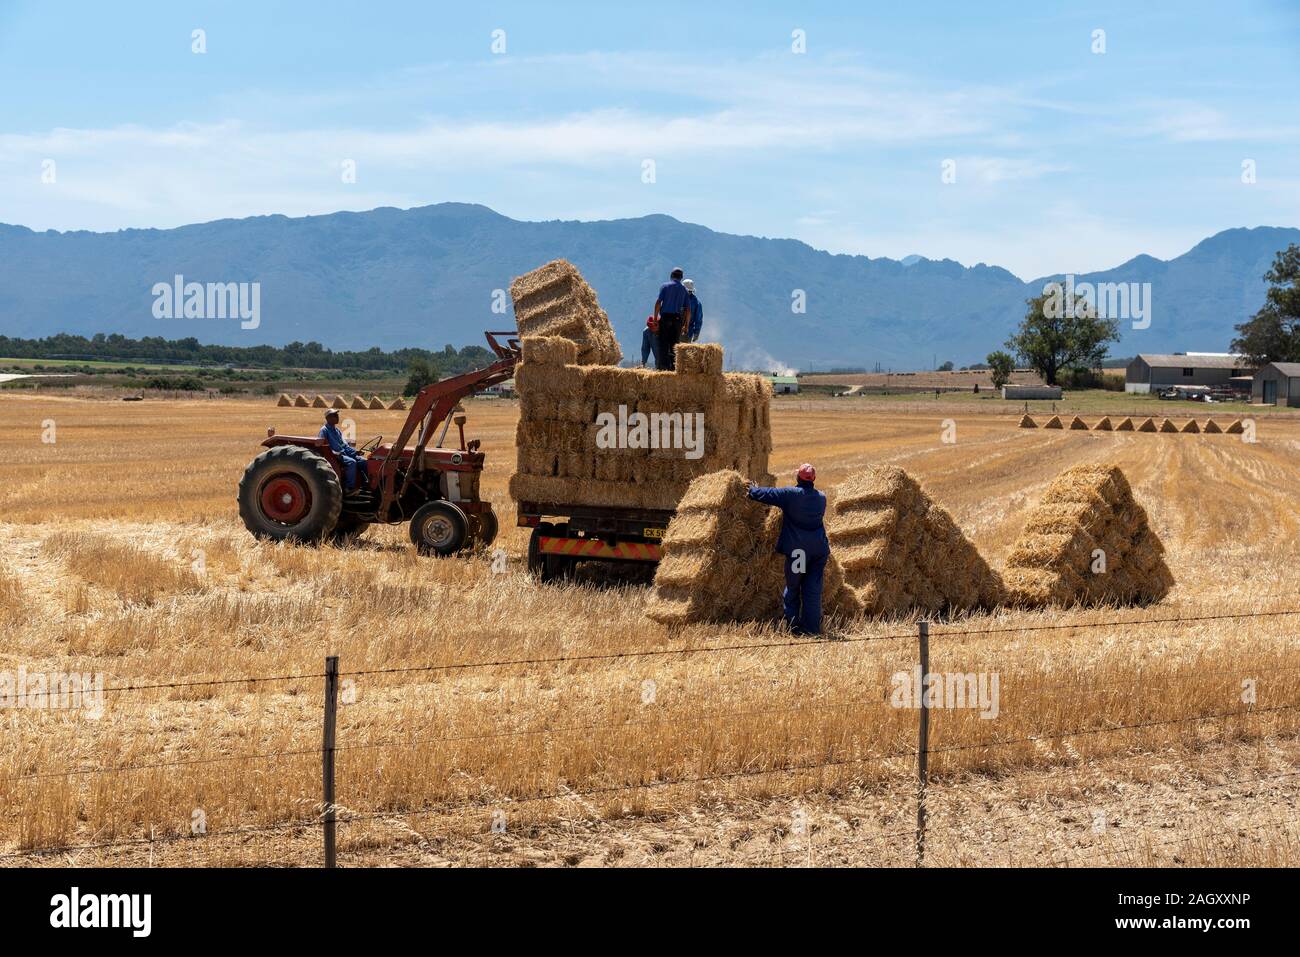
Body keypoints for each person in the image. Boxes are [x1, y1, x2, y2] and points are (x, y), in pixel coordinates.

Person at [746, 463, 830, 636]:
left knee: (793, 588)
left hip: (799, 553)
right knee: (813, 591)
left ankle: (795, 628)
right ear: (813, 479)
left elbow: (768, 494)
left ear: (798, 477)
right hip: (818, 552)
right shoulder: (821, 497)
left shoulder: (791, 495)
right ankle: (812, 630)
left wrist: (751, 490)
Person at [319, 409, 368, 493]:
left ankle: (366, 483)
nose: (337, 417)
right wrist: (334, 452)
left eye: (337, 415)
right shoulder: (324, 430)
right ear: (328, 418)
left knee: (363, 461)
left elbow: (344, 445)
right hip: (335, 456)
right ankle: (349, 488)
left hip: (344, 454)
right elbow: (322, 446)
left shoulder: (337, 430)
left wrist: (354, 452)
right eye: (335, 415)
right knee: (352, 462)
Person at [653, 267, 692, 371]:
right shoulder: (684, 290)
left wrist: (655, 319)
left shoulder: (665, 286)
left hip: (665, 318)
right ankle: (673, 368)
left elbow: (658, 303)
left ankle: (663, 368)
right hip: (677, 319)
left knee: (663, 343)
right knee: (674, 345)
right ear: (681, 277)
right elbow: (688, 309)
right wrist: (686, 325)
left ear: (671, 275)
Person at [683, 278, 703, 343]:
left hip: (687, 332)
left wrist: (696, 333)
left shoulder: (696, 303)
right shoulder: (696, 302)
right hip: (676, 330)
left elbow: (698, 319)